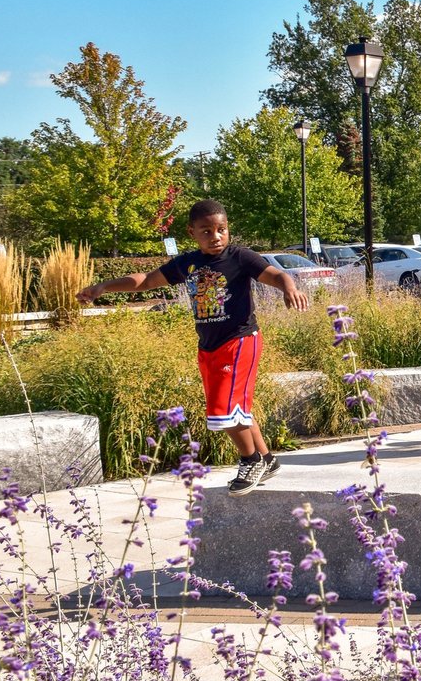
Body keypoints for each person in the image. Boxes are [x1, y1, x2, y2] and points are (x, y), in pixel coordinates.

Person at [75, 198, 308, 497]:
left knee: (223, 409)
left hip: (239, 340)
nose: (216, 237)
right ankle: (265, 458)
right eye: (207, 231)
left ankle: (250, 460)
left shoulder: (239, 257)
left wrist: (289, 287)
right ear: (192, 233)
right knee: (235, 408)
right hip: (209, 346)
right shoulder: (187, 263)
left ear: (228, 229)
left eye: (221, 229)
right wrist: (103, 287)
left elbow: (275, 274)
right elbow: (145, 281)